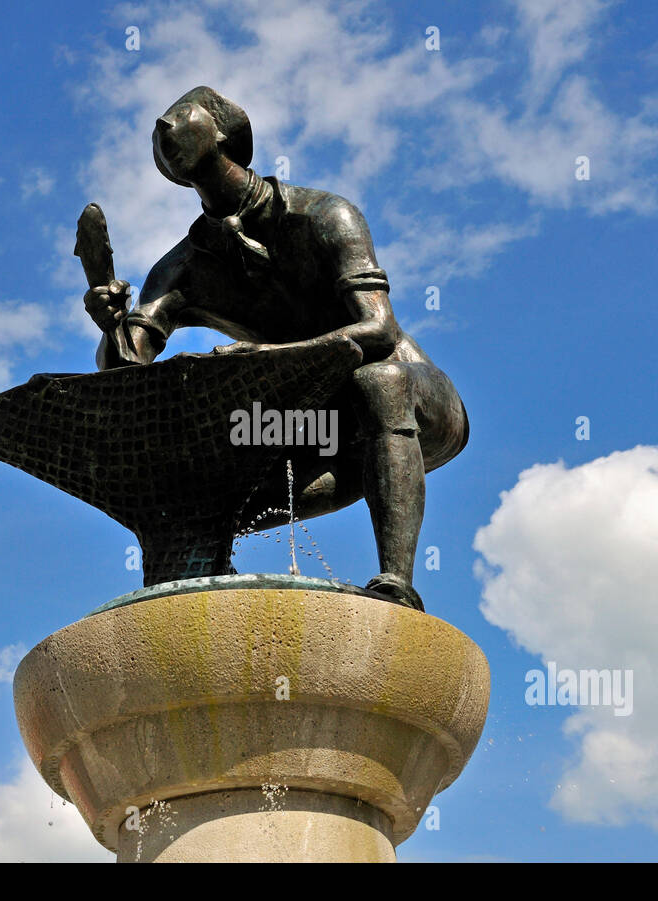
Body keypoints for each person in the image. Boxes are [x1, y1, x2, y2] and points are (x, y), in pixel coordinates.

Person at [84, 86, 468, 611]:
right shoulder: (183, 267)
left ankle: (395, 583)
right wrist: (110, 325)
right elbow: (127, 372)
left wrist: (268, 357)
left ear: (224, 131)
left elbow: (378, 330)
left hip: (413, 401)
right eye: (158, 125)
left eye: (177, 115)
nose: (162, 127)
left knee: (375, 381)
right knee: (203, 497)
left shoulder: (325, 215)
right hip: (318, 430)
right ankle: (200, 616)